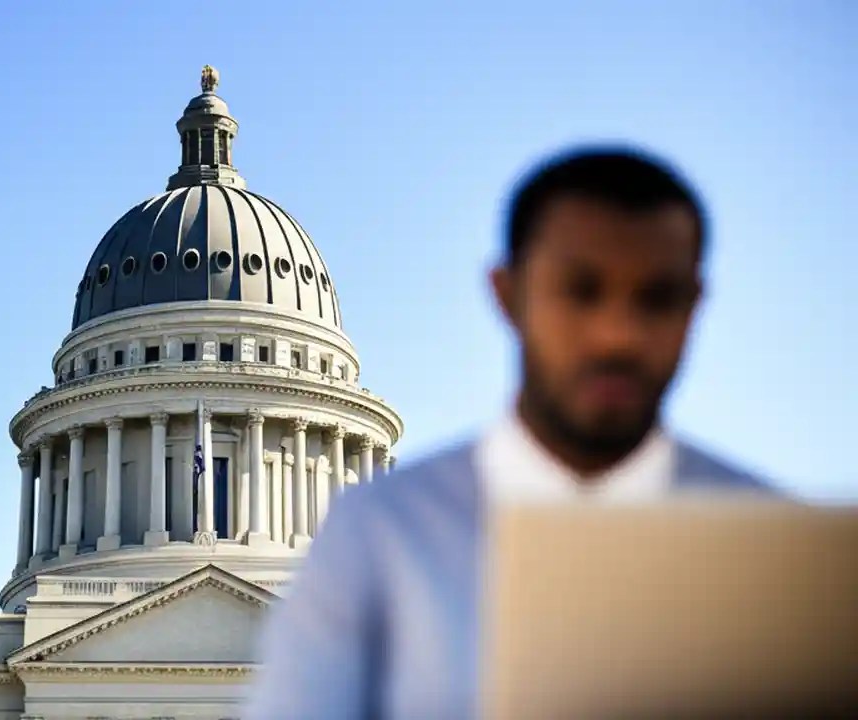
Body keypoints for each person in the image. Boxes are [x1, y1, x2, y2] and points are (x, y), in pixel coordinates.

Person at [243, 146, 774, 719]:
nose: (616, 334)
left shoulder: (771, 552)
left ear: (696, 306)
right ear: (507, 293)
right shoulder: (374, 540)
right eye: (582, 290)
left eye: (657, 297)